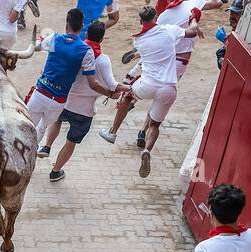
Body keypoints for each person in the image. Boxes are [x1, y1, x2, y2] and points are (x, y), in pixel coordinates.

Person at [97, 5, 199, 178]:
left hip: (148, 84)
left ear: (140, 21)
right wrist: (194, 18)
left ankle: (113, 132)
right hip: (169, 87)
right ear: (156, 17)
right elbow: (192, 32)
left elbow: (141, 55)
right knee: (154, 125)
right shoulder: (170, 30)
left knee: (127, 96)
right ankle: (147, 151)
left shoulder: (138, 41)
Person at [130, 0, 221, 150]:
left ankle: (132, 99)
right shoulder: (192, 4)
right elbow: (217, 4)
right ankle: (143, 130)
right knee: (162, 93)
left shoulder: (163, 15)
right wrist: (194, 20)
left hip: (161, 55)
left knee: (147, 79)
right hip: (180, 60)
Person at [37, 19, 118, 181]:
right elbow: (112, 85)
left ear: (86, 33)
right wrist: (122, 89)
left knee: (57, 121)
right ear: (101, 39)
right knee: (71, 141)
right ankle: (55, 171)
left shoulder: (76, 50)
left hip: (66, 100)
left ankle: (46, 146)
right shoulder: (102, 60)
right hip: (84, 110)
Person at [26, 8, 108, 141]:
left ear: (66, 25)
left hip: (40, 95)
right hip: (58, 103)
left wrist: (39, 39)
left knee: (25, 130)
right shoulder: (86, 51)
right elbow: (93, 84)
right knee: (41, 128)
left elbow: (36, 47)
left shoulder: (55, 38)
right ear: (82, 27)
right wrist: (110, 93)